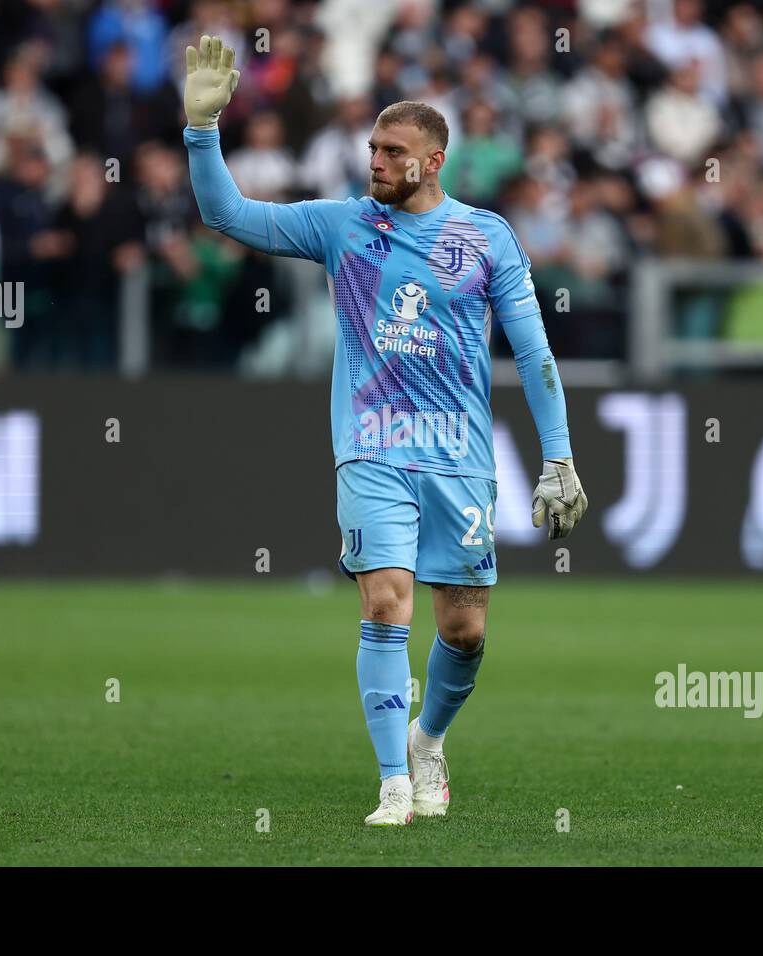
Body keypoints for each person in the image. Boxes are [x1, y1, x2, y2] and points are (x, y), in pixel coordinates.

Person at [181, 36, 588, 826]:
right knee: (385, 607)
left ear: (432, 161)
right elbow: (225, 213)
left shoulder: (486, 238)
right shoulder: (341, 225)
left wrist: (559, 457)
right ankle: (393, 782)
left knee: (463, 628)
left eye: (391, 151)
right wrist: (203, 129)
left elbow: (534, 351)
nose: (375, 161)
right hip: (371, 449)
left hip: (460, 458)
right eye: (371, 146)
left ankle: (428, 739)